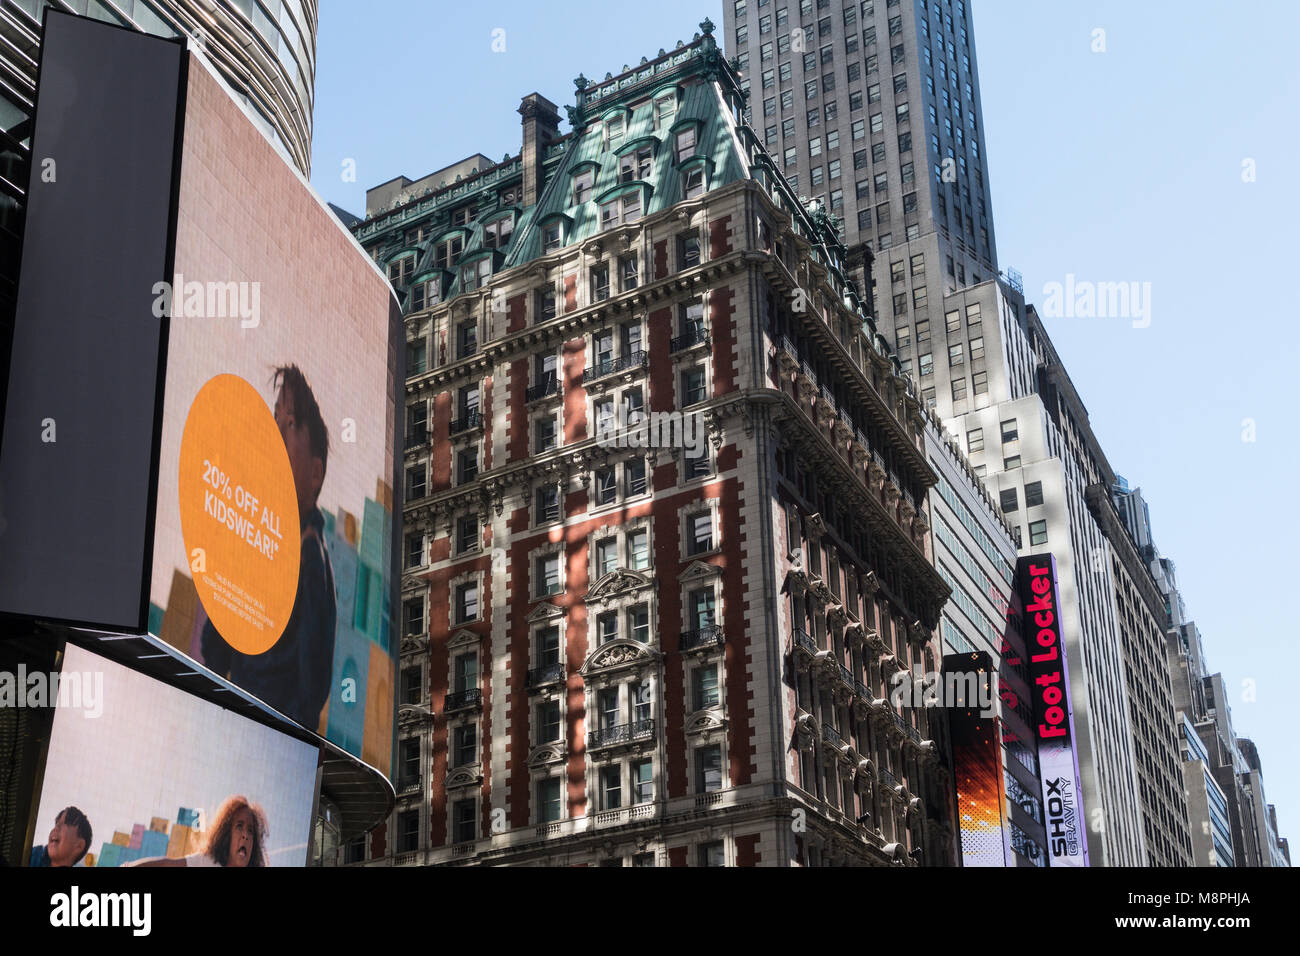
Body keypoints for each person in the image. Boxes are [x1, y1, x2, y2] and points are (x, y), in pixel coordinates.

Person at [201, 364, 336, 731]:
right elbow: (214, 642)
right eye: (274, 417)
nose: (274, 431)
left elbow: (310, 696)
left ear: (314, 473)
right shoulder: (262, 545)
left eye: (289, 423)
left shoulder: (311, 560)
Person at [128, 796, 268, 868]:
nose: (245, 835)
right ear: (226, 834)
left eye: (250, 831)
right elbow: (166, 864)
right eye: (239, 826)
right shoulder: (206, 862)